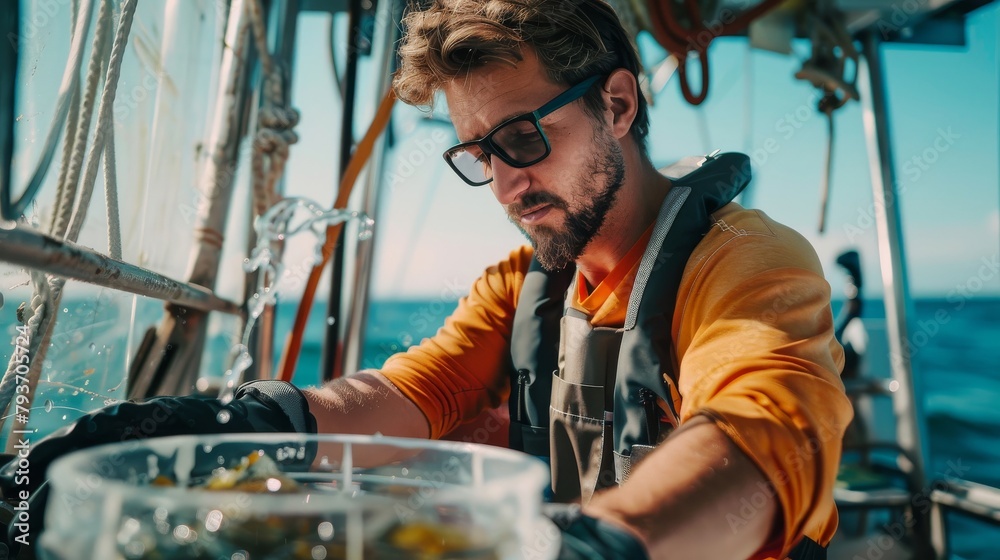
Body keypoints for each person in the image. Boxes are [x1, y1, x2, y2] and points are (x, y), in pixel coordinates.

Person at [1, 1, 853, 559]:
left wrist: (601, 547)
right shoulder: (524, 286)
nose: (508, 184)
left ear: (619, 107)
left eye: (523, 138)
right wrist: (210, 425)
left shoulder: (744, 262)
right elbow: (407, 392)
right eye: (480, 154)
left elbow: (762, 433)